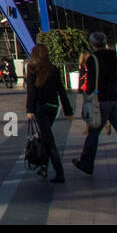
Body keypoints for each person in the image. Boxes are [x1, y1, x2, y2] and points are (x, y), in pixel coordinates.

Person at [74, 32, 117, 182]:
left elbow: (90, 85)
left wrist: (90, 95)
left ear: (93, 44)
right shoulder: (114, 58)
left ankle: (87, 164)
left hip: (100, 102)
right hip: (116, 100)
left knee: (93, 134)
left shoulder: (93, 59)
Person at [24, 43, 73, 182]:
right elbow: (61, 90)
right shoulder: (53, 69)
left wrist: (30, 109)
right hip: (53, 107)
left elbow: (31, 91)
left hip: (41, 107)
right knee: (45, 137)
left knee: (49, 140)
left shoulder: (32, 68)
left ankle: (59, 172)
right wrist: (68, 110)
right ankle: (44, 168)